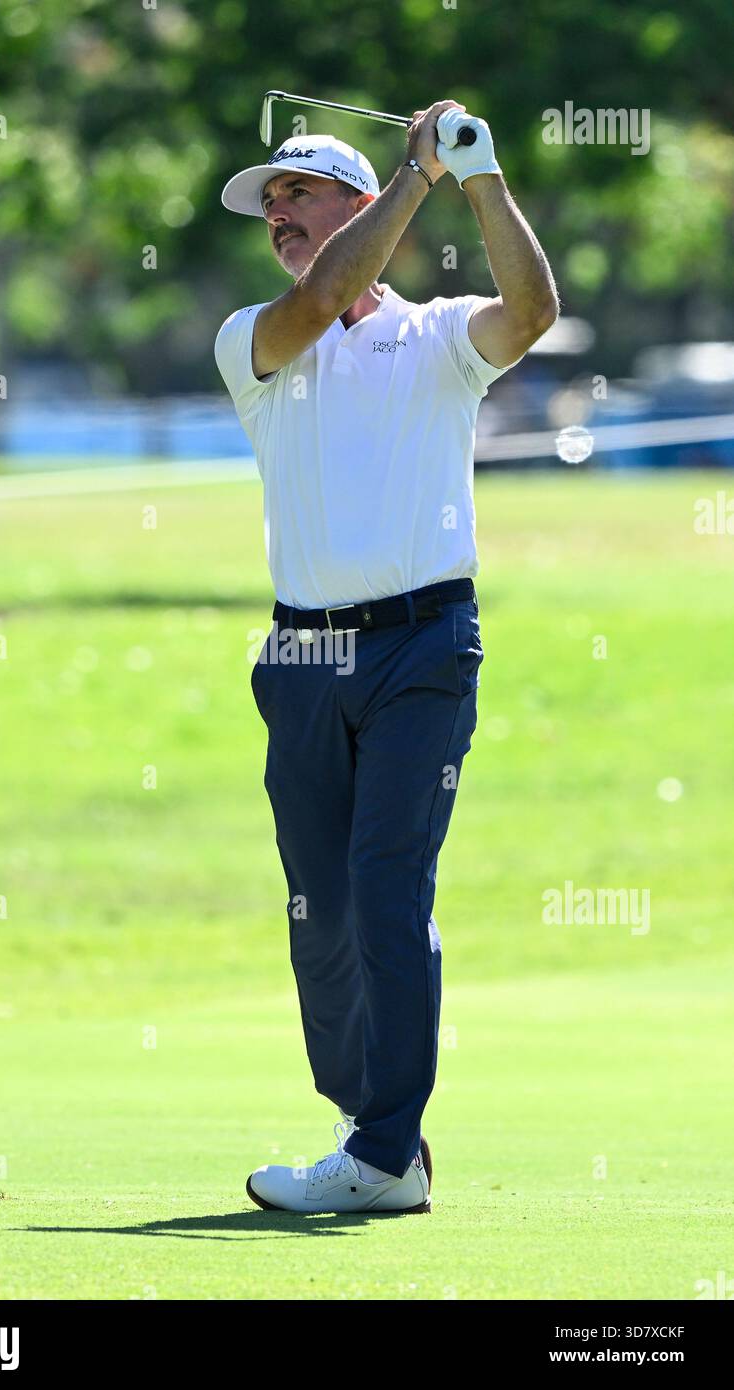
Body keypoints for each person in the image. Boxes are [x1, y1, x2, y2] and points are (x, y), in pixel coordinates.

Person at [214, 100, 558, 1214]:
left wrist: (479, 177)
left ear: (355, 204)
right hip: (302, 658)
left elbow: (533, 311)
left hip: (422, 646)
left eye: (296, 193)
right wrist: (416, 177)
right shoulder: (251, 339)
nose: (276, 216)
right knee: (321, 910)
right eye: (269, 204)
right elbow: (316, 302)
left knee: (383, 885)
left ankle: (381, 1148)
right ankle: (373, 1133)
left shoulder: (439, 336)